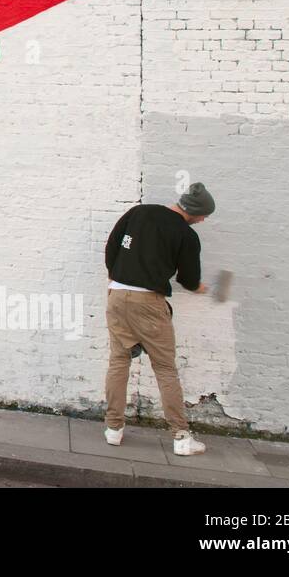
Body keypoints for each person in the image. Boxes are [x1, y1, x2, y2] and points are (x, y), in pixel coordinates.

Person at [102, 182, 215, 456]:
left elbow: (112, 247)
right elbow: (187, 279)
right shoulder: (185, 235)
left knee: (119, 360)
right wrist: (199, 287)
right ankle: (181, 437)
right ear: (194, 211)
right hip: (148, 303)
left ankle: (113, 429)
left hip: (117, 293)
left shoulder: (138, 214)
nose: (202, 221)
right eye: (203, 216)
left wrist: (118, 277)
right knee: (165, 368)